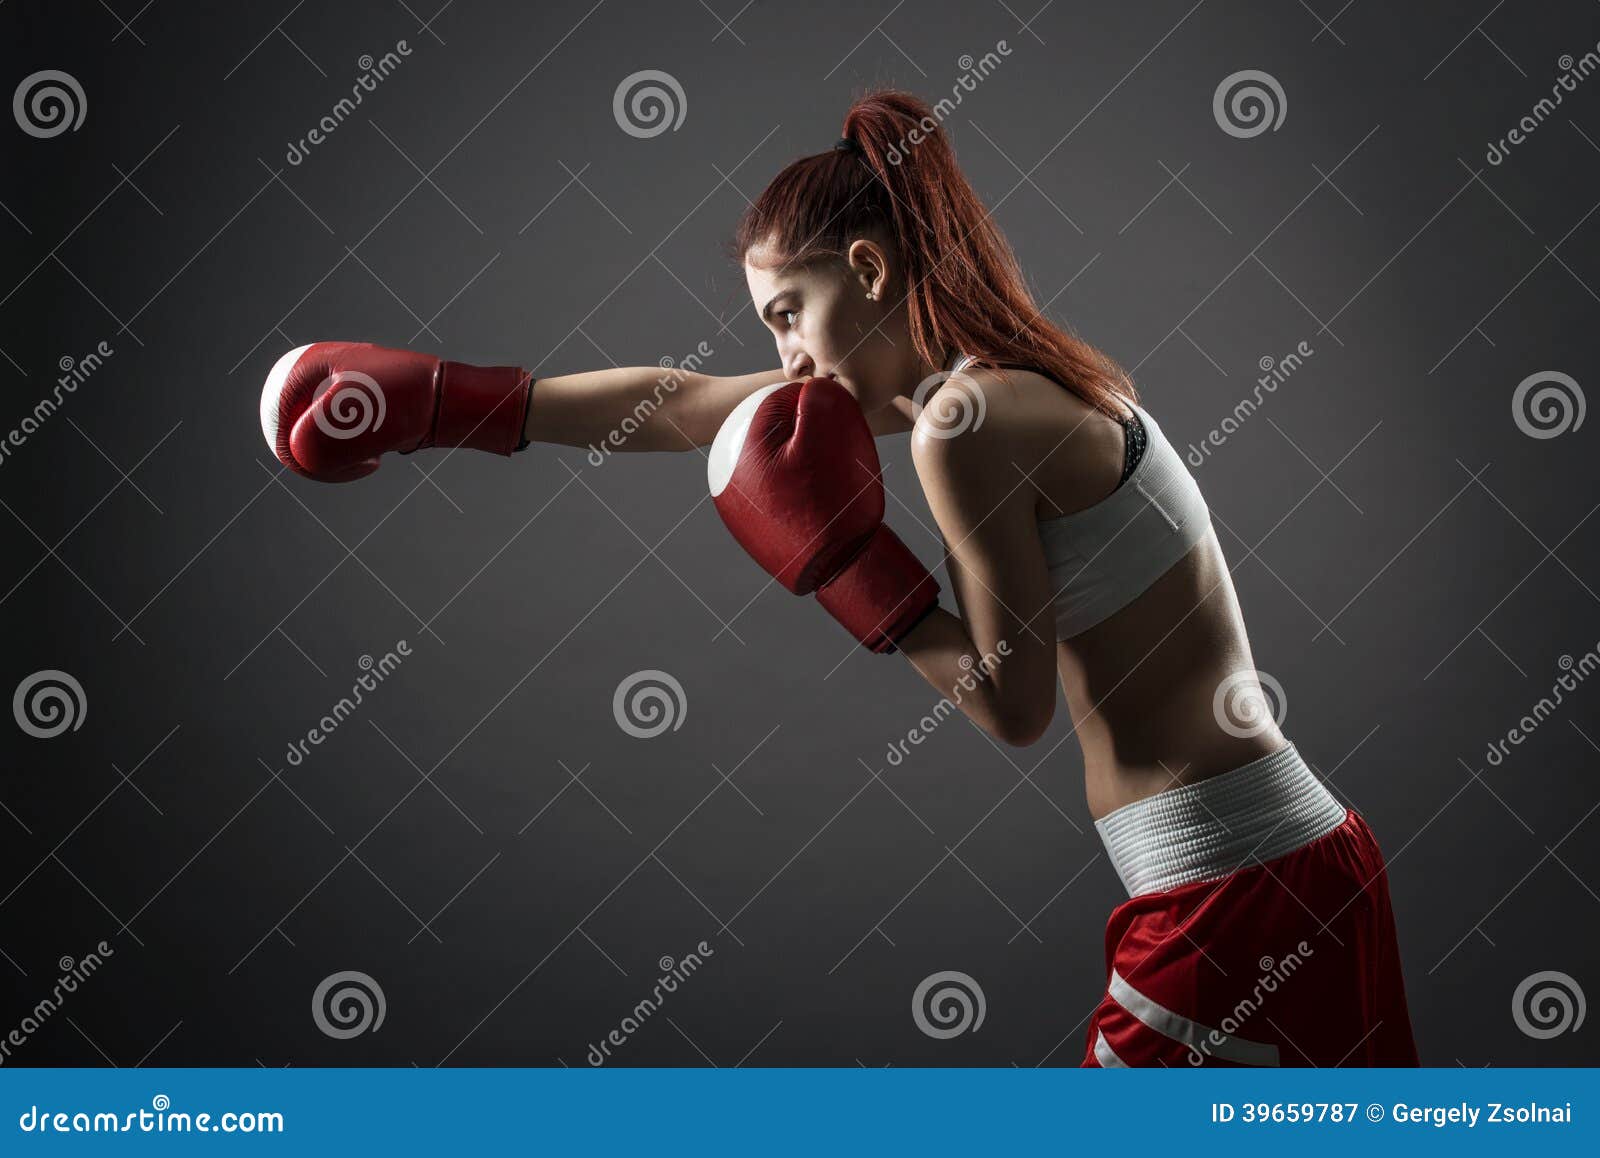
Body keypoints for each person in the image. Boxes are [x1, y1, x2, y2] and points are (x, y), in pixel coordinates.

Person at [260, 90, 1418, 1068]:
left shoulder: (965, 425)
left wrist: (853, 572)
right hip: (1295, 860)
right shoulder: (1016, 376)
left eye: (788, 316)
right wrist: (443, 405)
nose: (784, 361)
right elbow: (678, 406)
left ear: (865, 267)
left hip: (1234, 896)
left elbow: (1015, 709)